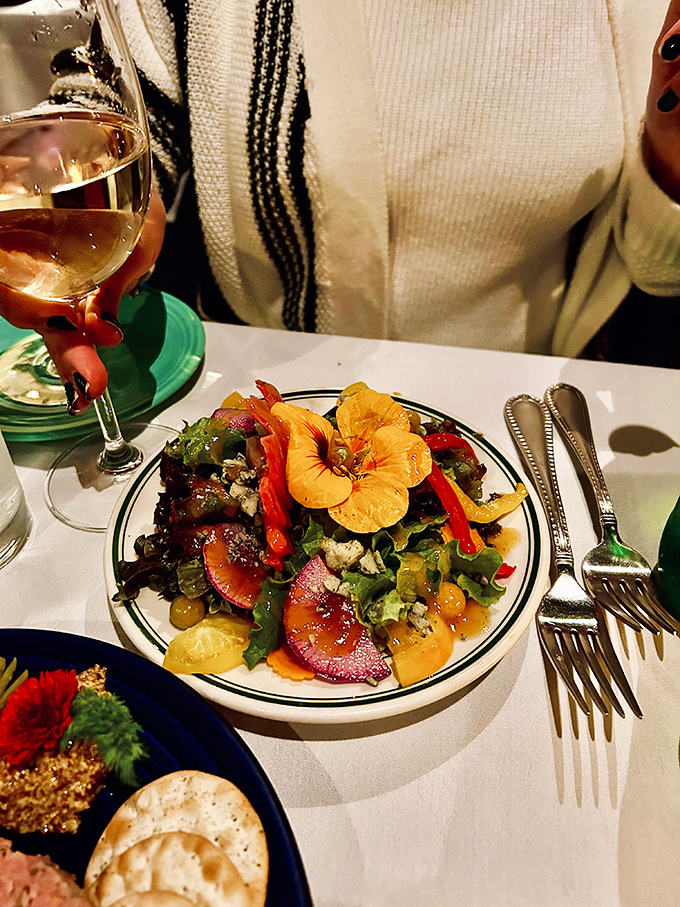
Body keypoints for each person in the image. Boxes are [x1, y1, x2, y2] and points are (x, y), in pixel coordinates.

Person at [2, 0, 680, 413]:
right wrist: (79, 186)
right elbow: (110, 89)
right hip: (260, 400)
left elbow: (654, 267)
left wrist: (670, 163)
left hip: (529, 417)